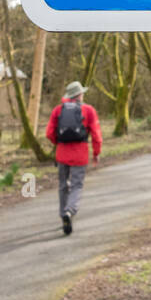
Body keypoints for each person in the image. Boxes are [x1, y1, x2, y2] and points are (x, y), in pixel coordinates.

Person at [45, 81, 101, 235]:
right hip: (80, 154)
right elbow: (96, 135)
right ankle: (69, 212)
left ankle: (63, 214)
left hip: (62, 154)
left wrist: (59, 143)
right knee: (76, 185)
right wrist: (96, 153)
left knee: (63, 185)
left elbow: (49, 133)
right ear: (80, 95)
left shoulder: (58, 110)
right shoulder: (88, 110)